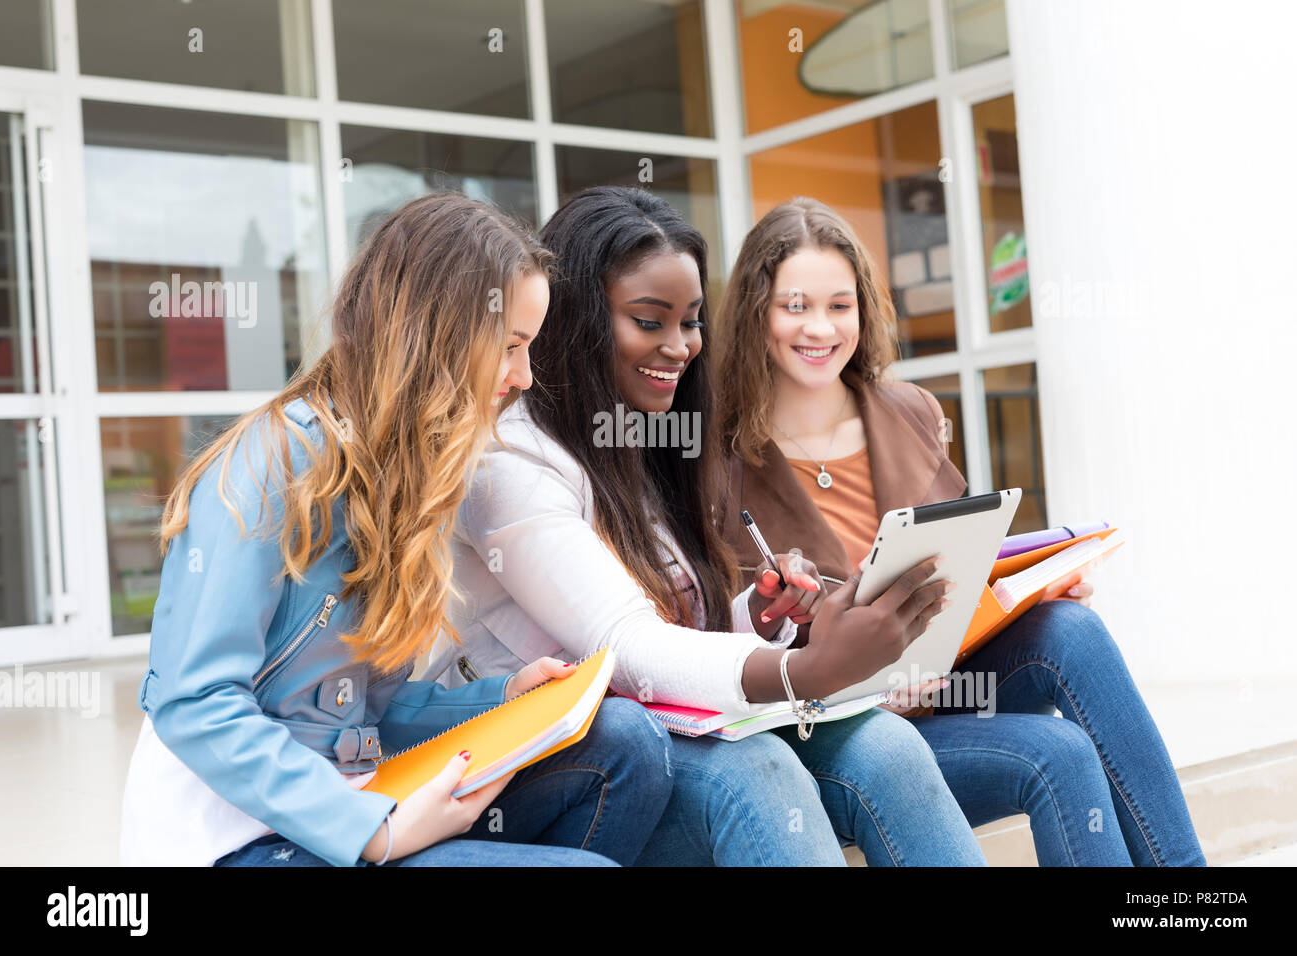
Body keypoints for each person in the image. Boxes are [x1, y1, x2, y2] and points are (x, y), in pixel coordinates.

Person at [428, 185, 988, 866]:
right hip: (570, 768)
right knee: (759, 775)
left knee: (887, 747)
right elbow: (624, 645)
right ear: (576, 322)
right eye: (649, 320)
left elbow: (678, 631)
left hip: (678, 726)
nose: (680, 345)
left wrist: (762, 614)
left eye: (690, 321)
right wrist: (804, 668)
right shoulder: (509, 464)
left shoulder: (644, 442)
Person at [118, 193, 673, 868]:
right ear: (436, 334)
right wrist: (372, 829)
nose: (524, 377)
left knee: (627, 744)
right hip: (242, 840)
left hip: (357, 799)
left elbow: (359, 714)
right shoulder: (271, 464)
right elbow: (192, 700)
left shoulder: (407, 472)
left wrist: (498, 699)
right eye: (511, 347)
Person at [712, 196, 1206, 866]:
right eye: (795, 305)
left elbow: (968, 562)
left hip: (949, 682)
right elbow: (731, 636)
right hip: (847, 726)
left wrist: (1031, 590)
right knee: (1060, 752)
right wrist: (868, 679)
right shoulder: (718, 455)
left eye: (840, 304)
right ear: (755, 312)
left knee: (1073, 630)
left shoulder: (909, 410)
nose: (821, 327)